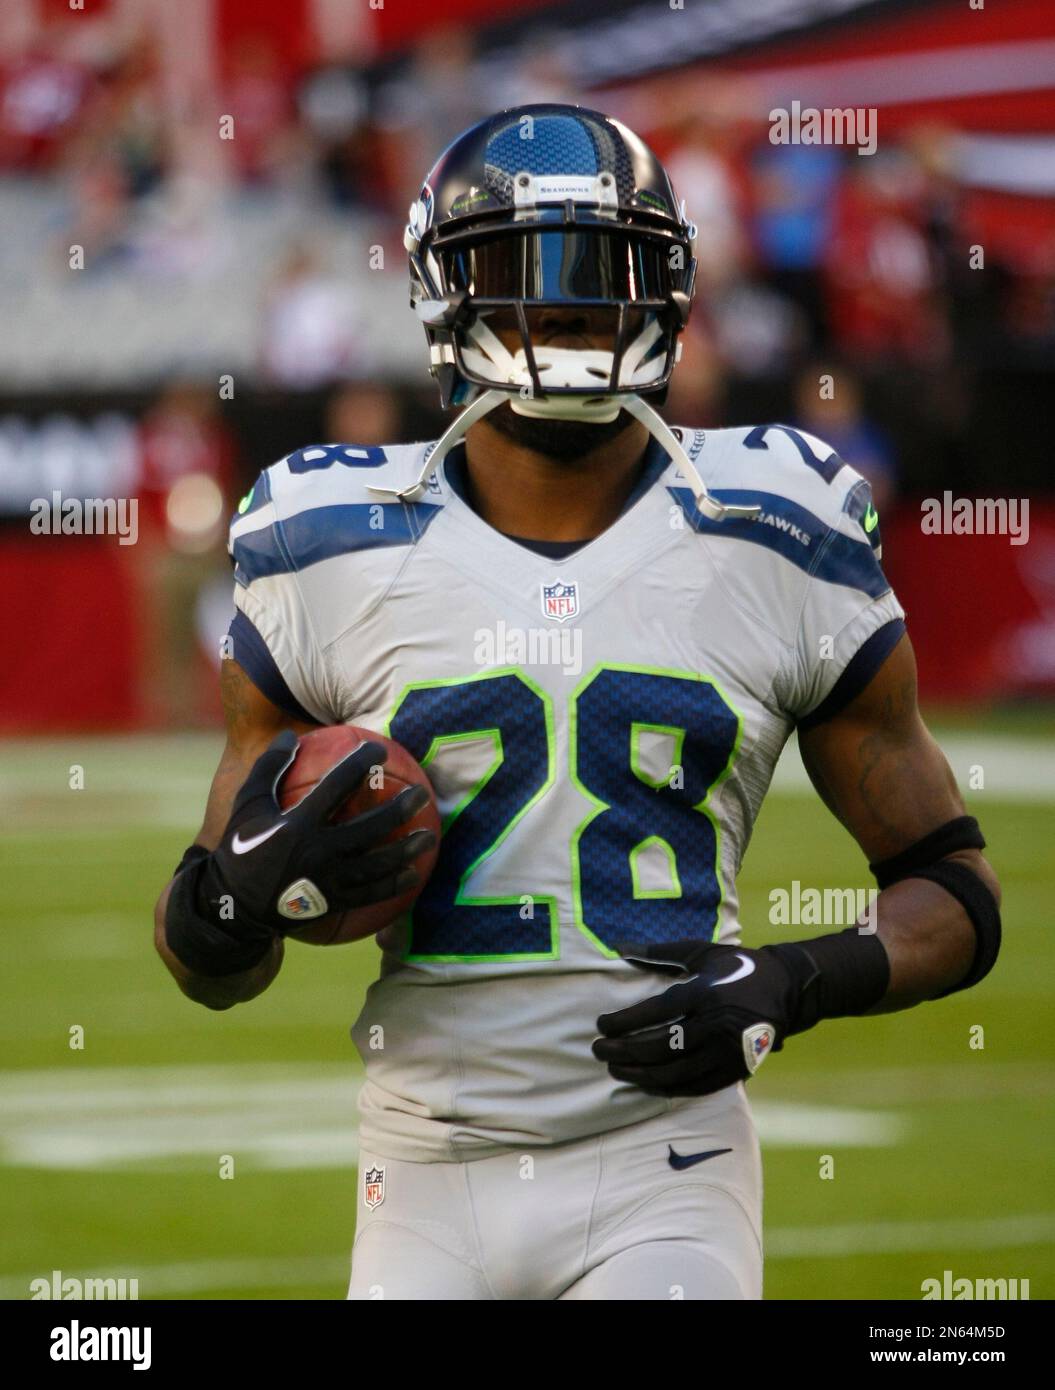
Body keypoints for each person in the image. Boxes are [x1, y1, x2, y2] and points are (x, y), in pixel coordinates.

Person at [154, 104, 1001, 1301]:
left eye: (600, 274)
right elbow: (207, 965)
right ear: (444, 291)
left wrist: (791, 982)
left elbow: (956, 889)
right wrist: (237, 896)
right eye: (521, 274)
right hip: (422, 1165)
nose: (564, 308)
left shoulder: (773, 526)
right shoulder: (328, 543)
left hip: (668, 1161)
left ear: (664, 289)